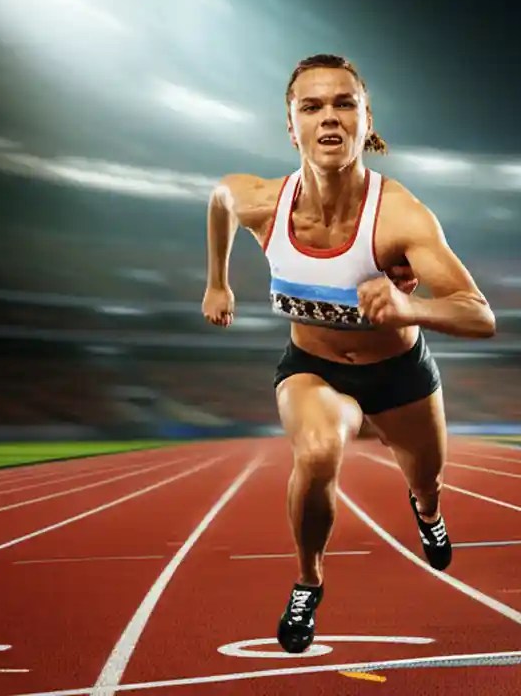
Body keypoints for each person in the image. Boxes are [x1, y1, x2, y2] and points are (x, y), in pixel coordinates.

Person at [201, 53, 496, 654]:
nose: (329, 117)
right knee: (316, 449)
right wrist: (217, 281)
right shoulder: (261, 202)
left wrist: (412, 308)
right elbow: (218, 201)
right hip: (313, 370)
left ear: (366, 120)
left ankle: (428, 511)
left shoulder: (399, 216)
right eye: (311, 106)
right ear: (291, 125)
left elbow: (478, 313)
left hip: (398, 377)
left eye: (344, 104)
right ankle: (309, 581)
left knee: (429, 479)